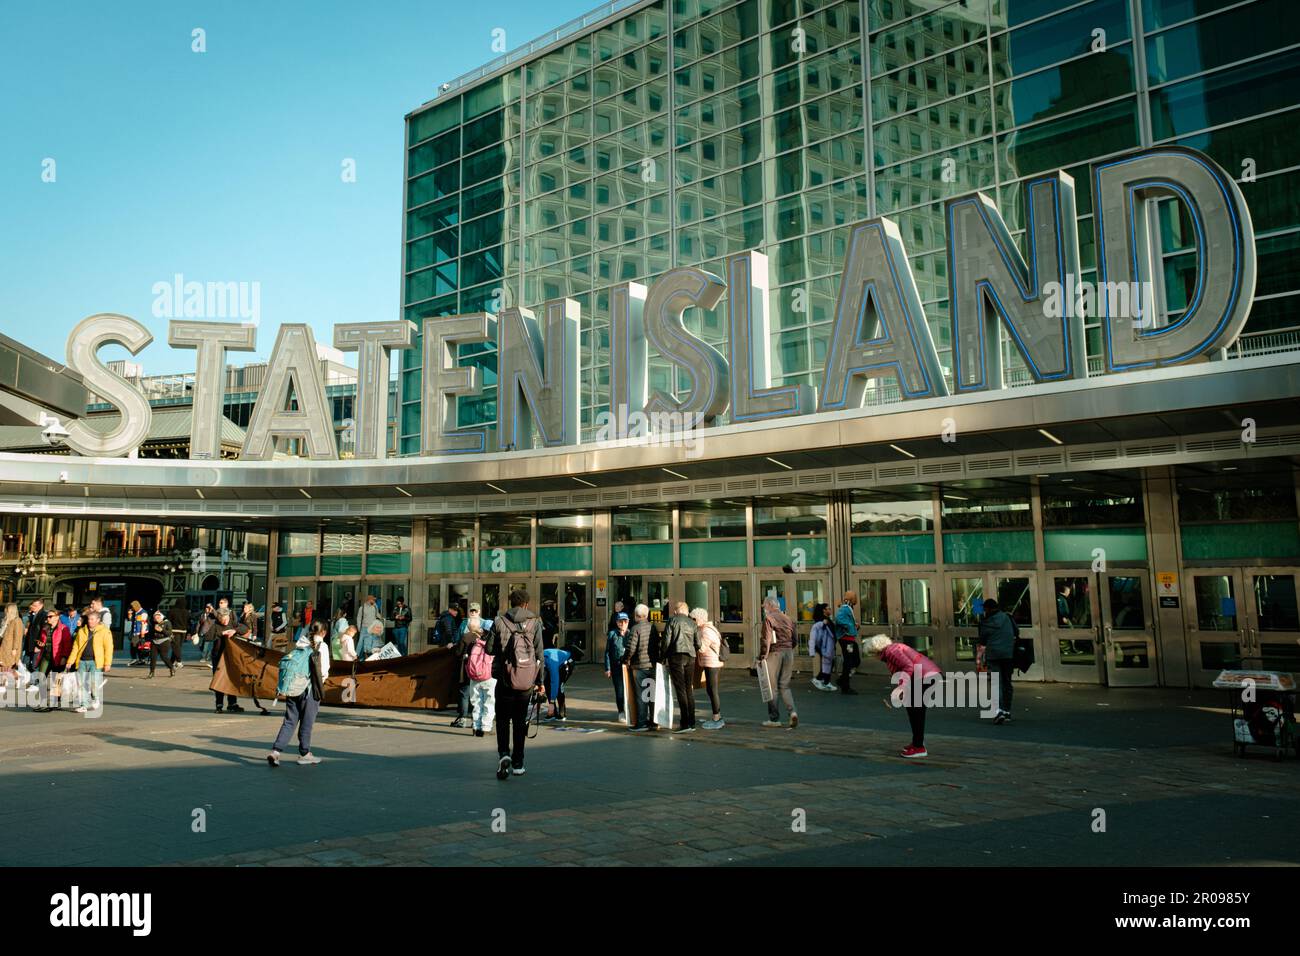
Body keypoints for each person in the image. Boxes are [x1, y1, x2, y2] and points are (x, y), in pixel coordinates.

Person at [489, 589, 544, 779]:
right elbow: (539, 654)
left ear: (511, 603)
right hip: (526, 680)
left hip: (504, 679)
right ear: (526, 604)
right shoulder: (535, 623)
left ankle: (504, 753)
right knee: (520, 722)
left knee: (503, 719)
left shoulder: (499, 621)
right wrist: (540, 681)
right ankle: (519, 762)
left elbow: (489, 649)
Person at [866, 633, 941, 758]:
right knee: (913, 709)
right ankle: (917, 742)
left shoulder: (891, 651)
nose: (873, 657)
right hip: (925, 675)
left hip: (924, 676)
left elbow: (908, 666)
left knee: (916, 711)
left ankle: (919, 747)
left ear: (876, 650)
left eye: (872, 654)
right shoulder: (893, 650)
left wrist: (902, 687)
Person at [267, 621, 329, 767]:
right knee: (307, 723)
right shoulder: (322, 647)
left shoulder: (300, 643)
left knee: (289, 721)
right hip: (310, 689)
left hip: (293, 687)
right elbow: (324, 670)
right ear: (324, 632)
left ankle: (275, 752)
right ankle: (305, 753)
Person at [658, 601, 699, 733]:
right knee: (688, 689)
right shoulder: (692, 623)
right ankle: (692, 722)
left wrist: (662, 656)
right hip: (691, 657)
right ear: (687, 611)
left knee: (680, 689)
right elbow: (698, 642)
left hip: (676, 656)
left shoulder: (672, 621)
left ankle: (685, 723)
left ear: (676, 611)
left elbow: (666, 640)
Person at [758, 597, 798, 729]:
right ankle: (792, 712)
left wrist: (762, 656)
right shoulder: (789, 618)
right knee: (785, 686)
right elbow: (795, 639)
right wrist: (788, 649)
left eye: (764, 606)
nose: (764, 609)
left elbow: (766, 640)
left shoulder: (769, 619)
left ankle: (774, 719)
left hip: (775, 653)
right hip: (788, 652)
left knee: (772, 687)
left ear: (769, 605)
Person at [977, 598, 1018, 724]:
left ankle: (998, 711)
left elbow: (982, 640)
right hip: (1008, 654)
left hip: (993, 655)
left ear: (988, 609)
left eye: (985, 609)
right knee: (1007, 682)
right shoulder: (1007, 617)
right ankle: (1007, 711)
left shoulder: (984, 622)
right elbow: (1016, 632)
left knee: (996, 683)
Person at [67, 609, 113, 714]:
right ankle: (84, 705)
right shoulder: (82, 631)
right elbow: (76, 647)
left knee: (93, 682)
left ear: (98, 620)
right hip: (82, 660)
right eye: (89, 619)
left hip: (96, 661)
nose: (90, 621)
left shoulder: (104, 631)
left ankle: (95, 698)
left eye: (92, 619)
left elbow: (109, 648)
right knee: (81, 684)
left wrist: (107, 663)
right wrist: (70, 660)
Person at [621, 603, 655, 732]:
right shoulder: (653, 627)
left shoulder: (635, 628)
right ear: (647, 615)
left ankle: (641, 722)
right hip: (651, 665)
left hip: (639, 666)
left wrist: (625, 660)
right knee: (651, 695)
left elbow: (631, 648)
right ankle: (653, 721)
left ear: (636, 615)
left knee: (641, 695)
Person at [692, 607, 725, 730]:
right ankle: (716, 716)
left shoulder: (706, 631)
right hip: (710, 663)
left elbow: (702, 648)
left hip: (712, 664)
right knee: (711, 690)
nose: (693, 621)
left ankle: (717, 718)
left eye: (694, 619)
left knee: (712, 690)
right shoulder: (707, 629)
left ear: (700, 619)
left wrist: (694, 640)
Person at [211, 609, 247, 714]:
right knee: (219, 680)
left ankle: (232, 704)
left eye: (227, 619)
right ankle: (219, 704)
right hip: (218, 657)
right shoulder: (215, 625)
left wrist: (235, 630)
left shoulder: (232, 623)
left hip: (231, 656)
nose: (225, 621)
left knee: (232, 679)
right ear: (219, 618)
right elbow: (208, 636)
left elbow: (244, 628)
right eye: (223, 619)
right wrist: (222, 633)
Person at [464, 622, 495, 738]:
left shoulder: (474, 643)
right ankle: (486, 728)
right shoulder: (493, 645)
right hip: (489, 677)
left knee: (476, 703)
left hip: (474, 677)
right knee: (489, 703)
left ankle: (476, 727)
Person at [542, 644, 582, 720]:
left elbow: (554, 682)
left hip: (566, 663)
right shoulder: (537, 658)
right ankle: (553, 712)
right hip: (555, 661)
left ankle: (562, 712)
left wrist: (551, 702)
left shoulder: (551, 662)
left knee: (559, 685)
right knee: (547, 684)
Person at [452, 616, 478, 728]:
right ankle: (476, 720)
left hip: (466, 669)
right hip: (479, 671)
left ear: (468, 626)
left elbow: (457, 653)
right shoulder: (482, 637)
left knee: (464, 694)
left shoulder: (465, 637)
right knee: (477, 696)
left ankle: (462, 719)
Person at [833, 591, 861, 695]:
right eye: (855, 597)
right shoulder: (845, 608)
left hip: (848, 639)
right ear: (852, 598)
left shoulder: (846, 607)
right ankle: (845, 685)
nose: (856, 599)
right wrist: (850, 627)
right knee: (850, 660)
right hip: (847, 639)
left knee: (851, 659)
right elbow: (839, 619)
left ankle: (843, 680)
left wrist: (854, 626)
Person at [604, 612, 629, 723]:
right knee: (619, 691)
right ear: (617, 622)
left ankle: (630, 710)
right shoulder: (612, 634)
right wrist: (607, 668)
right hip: (616, 666)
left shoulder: (631, 633)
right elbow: (607, 653)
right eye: (620, 621)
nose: (623, 623)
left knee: (629, 690)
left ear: (628, 622)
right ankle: (621, 712)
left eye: (625, 621)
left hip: (628, 667)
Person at [810, 603, 838, 692]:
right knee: (828, 663)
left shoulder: (827, 619)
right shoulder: (821, 622)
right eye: (828, 608)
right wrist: (814, 650)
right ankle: (822, 681)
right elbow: (814, 636)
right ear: (824, 610)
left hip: (828, 646)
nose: (830, 610)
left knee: (829, 663)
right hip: (824, 646)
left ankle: (823, 681)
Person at [146, 609, 178, 678]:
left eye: (158, 617)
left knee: (164, 657)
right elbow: (150, 633)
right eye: (155, 618)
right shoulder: (153, 623)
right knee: (153, 657)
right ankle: (152, 672)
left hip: (164, 642)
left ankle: (171, 668)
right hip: (154, 642)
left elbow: (169, 633)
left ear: (161, 617)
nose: (156, 619)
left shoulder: (167, 622)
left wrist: (162, 630)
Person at [23, 598, 45, 670]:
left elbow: (43, 632)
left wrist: (39, 646)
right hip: (30, 644)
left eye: (35, 605)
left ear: (41, 605)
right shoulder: (34, 614)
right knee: (25, 664)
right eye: (33, 605)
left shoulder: (43, 615)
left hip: (36, 645)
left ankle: (35, 680)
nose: (33, 607)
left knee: (34, 666)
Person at [127, 600, 149, 666]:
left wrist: (142, 635)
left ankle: (135, 659)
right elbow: (131, 620)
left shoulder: (143, 613)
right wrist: (129, 614)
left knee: (134, 646)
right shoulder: (136, 612)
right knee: (138, 647)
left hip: (140, 633)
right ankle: (141, 659)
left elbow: (144, 624)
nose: (132, 608)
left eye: (133, 607)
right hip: (135, 632)